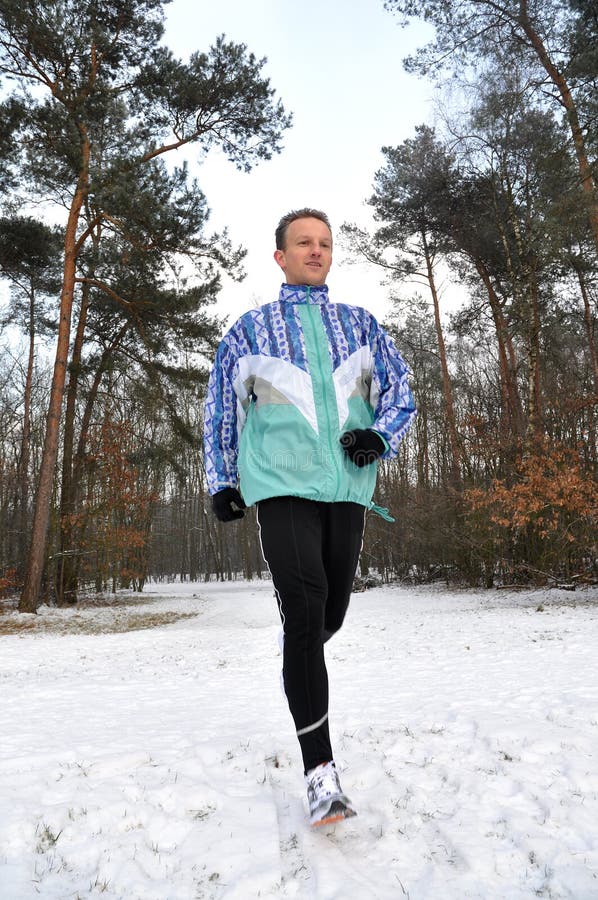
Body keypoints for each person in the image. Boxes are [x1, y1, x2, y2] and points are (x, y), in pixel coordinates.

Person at [203, 208, 416, 826]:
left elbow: (401, 390)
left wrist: (380, 437)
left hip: (347, 488)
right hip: (281, 482)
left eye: (324, 243)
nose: (316, 250)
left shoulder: (361, 325)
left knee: (330, 612)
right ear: (281, 256)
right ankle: (320, 771)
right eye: (304, 242)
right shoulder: (249, 331)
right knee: (305, 604)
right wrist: (223, 481)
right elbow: (222, 411)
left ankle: (300, 646)